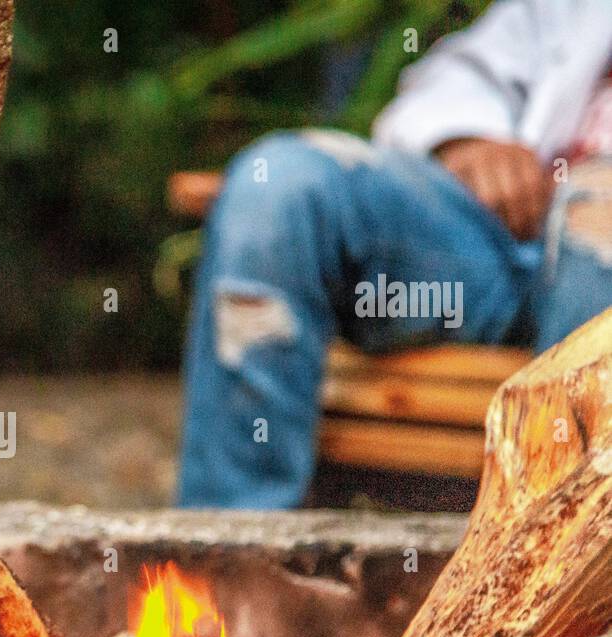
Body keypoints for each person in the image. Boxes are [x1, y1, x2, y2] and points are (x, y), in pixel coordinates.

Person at [178, 0, 612, 509]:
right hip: (495, 243)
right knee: (275, 185)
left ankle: (557, 559)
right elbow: (458, 75)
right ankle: (231, 556)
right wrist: (467, 138)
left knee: (597, 219)